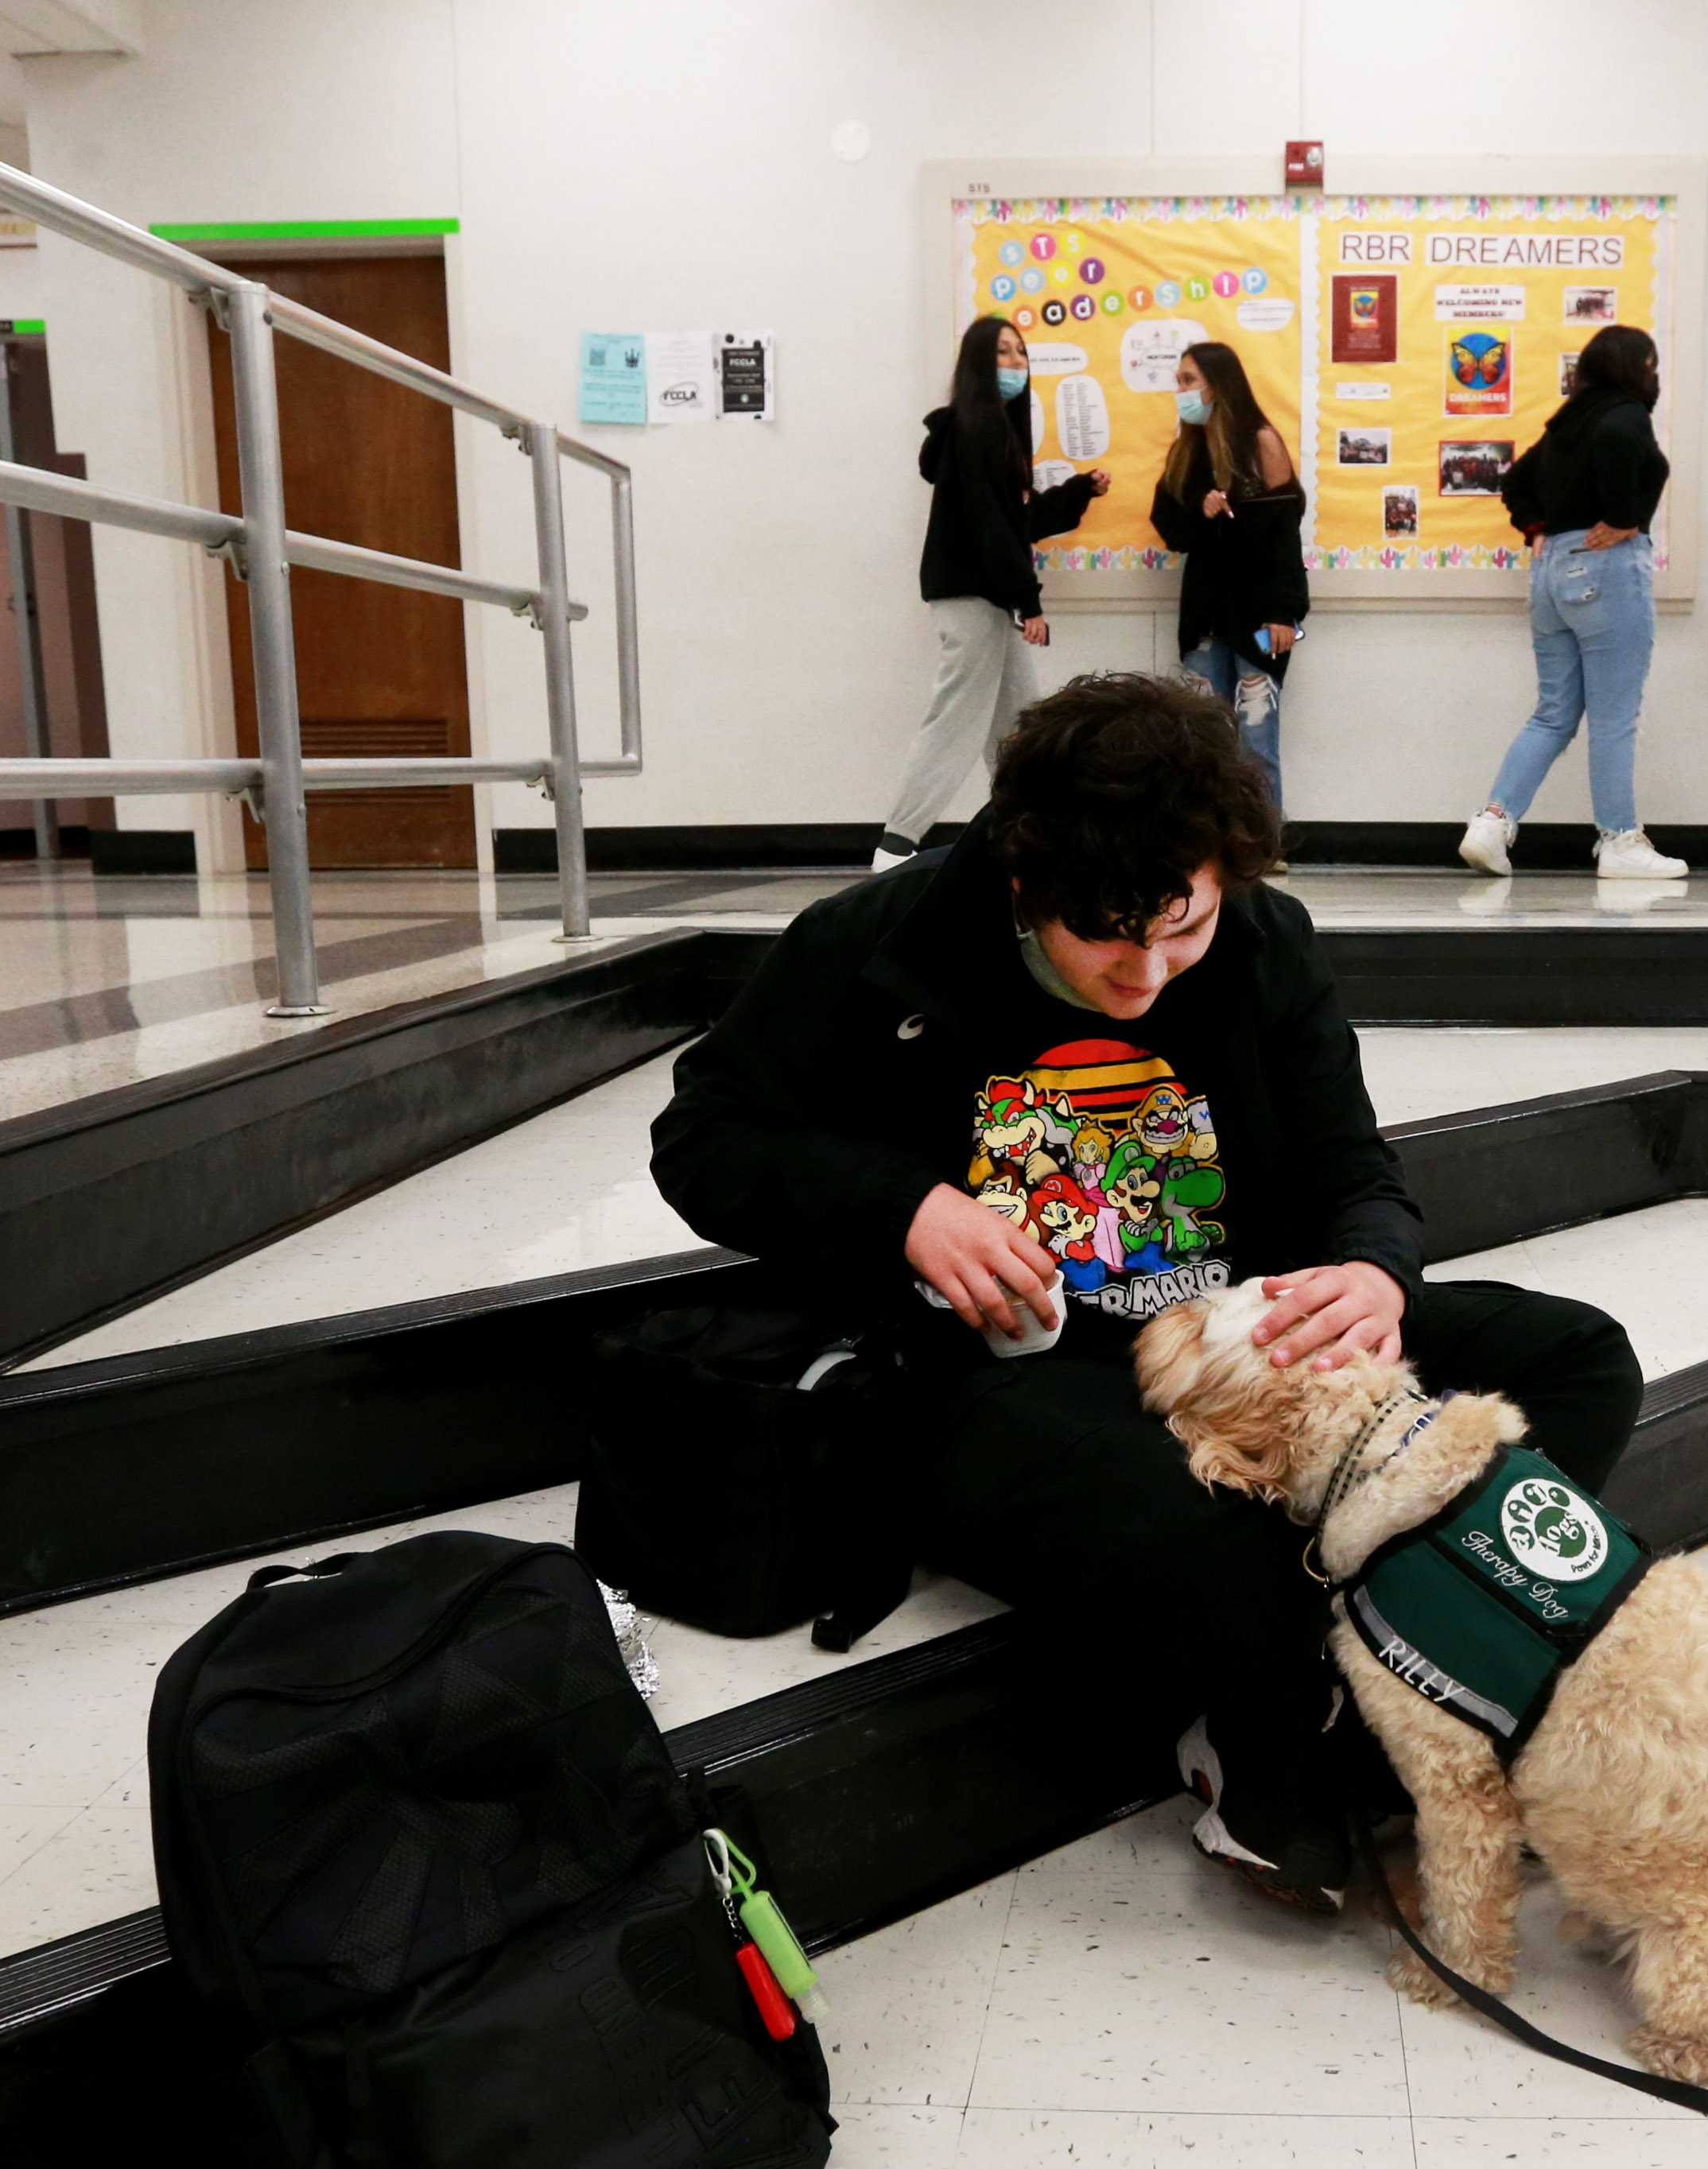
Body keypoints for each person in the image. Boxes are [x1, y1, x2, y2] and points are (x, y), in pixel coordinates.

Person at [654, 673, 1646, 1910]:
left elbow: (1354, 1167)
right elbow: (702, 1139)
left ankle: (1412, 1674)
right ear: (1024, 876)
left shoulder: (1266, 939)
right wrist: (903, 1205)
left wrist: (1372, 1272)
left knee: (1575, 1359)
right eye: (1107, 937)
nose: (1146, 972)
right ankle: (1285, 1739)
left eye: (1185, 928)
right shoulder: (876, 942)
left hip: (1235, 1329)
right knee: (1216, 1520)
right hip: (994, 1374)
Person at [872, 315, 1112, 871]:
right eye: (1003, 352)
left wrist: (1078, 491)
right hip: (971, 596)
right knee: (958, 717)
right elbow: (991, 528)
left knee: (1019, 726)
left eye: (1021, 353)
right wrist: (1029, 601)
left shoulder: (996, 431)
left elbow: (1017, 521)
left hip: (985, 597)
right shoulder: (975, 429)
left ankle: (1031, 837)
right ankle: (897, 844)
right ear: (979, 363)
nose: (1015, 363)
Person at [1459, 325, 1683, 882]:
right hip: (1606, 570)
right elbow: (1621, 449)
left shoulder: (1566, 423)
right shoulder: (1626, 414)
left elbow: (1516, 481)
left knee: (1553, 714)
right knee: (1614, 718)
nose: (1654, 376)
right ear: (1630, 369)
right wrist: (1626, 515)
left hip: (1551, 572)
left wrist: (1537, 527)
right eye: (1649, 365)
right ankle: (1620, 840)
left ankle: (1491, 824)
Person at [1149, 342, 1308, 809]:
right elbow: (1171, 531)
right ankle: (1208, 840)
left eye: (1188, 381)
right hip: (1204, 616)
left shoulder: (1261, 442)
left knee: (1256, 741)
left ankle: (1261, 841)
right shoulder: (1186, 452)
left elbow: (1284, 536)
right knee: (1200, 740)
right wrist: (1199, 510)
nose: (1180, 391)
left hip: (1258, 616)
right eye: (1178, 381)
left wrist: (1284, 612)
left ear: (1218, 386)